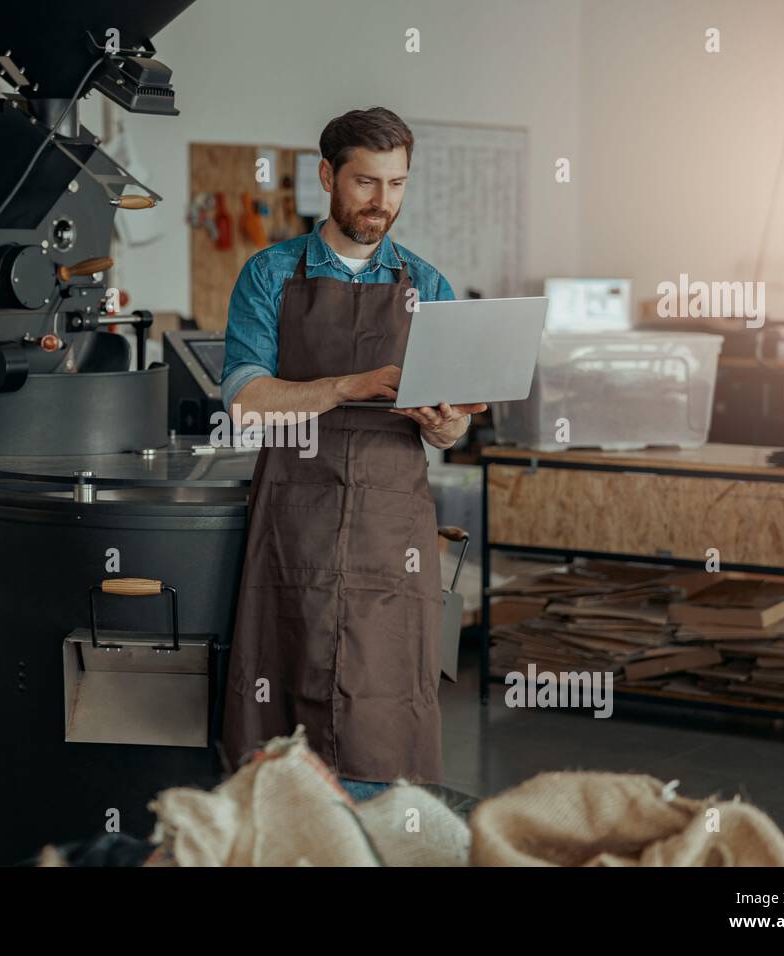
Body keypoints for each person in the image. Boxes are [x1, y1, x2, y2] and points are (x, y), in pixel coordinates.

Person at [219, 107, 486, 802]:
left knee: (383, 711)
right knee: (285, 705)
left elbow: (447, 437)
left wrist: (447, 420)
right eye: (367, 182)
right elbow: (247, 401)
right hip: (293, 521)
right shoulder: (270, 274)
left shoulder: (426, 285)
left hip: (390, 528)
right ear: (327, 177)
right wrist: (351, 386)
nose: (382, 202)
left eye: (397, 184)